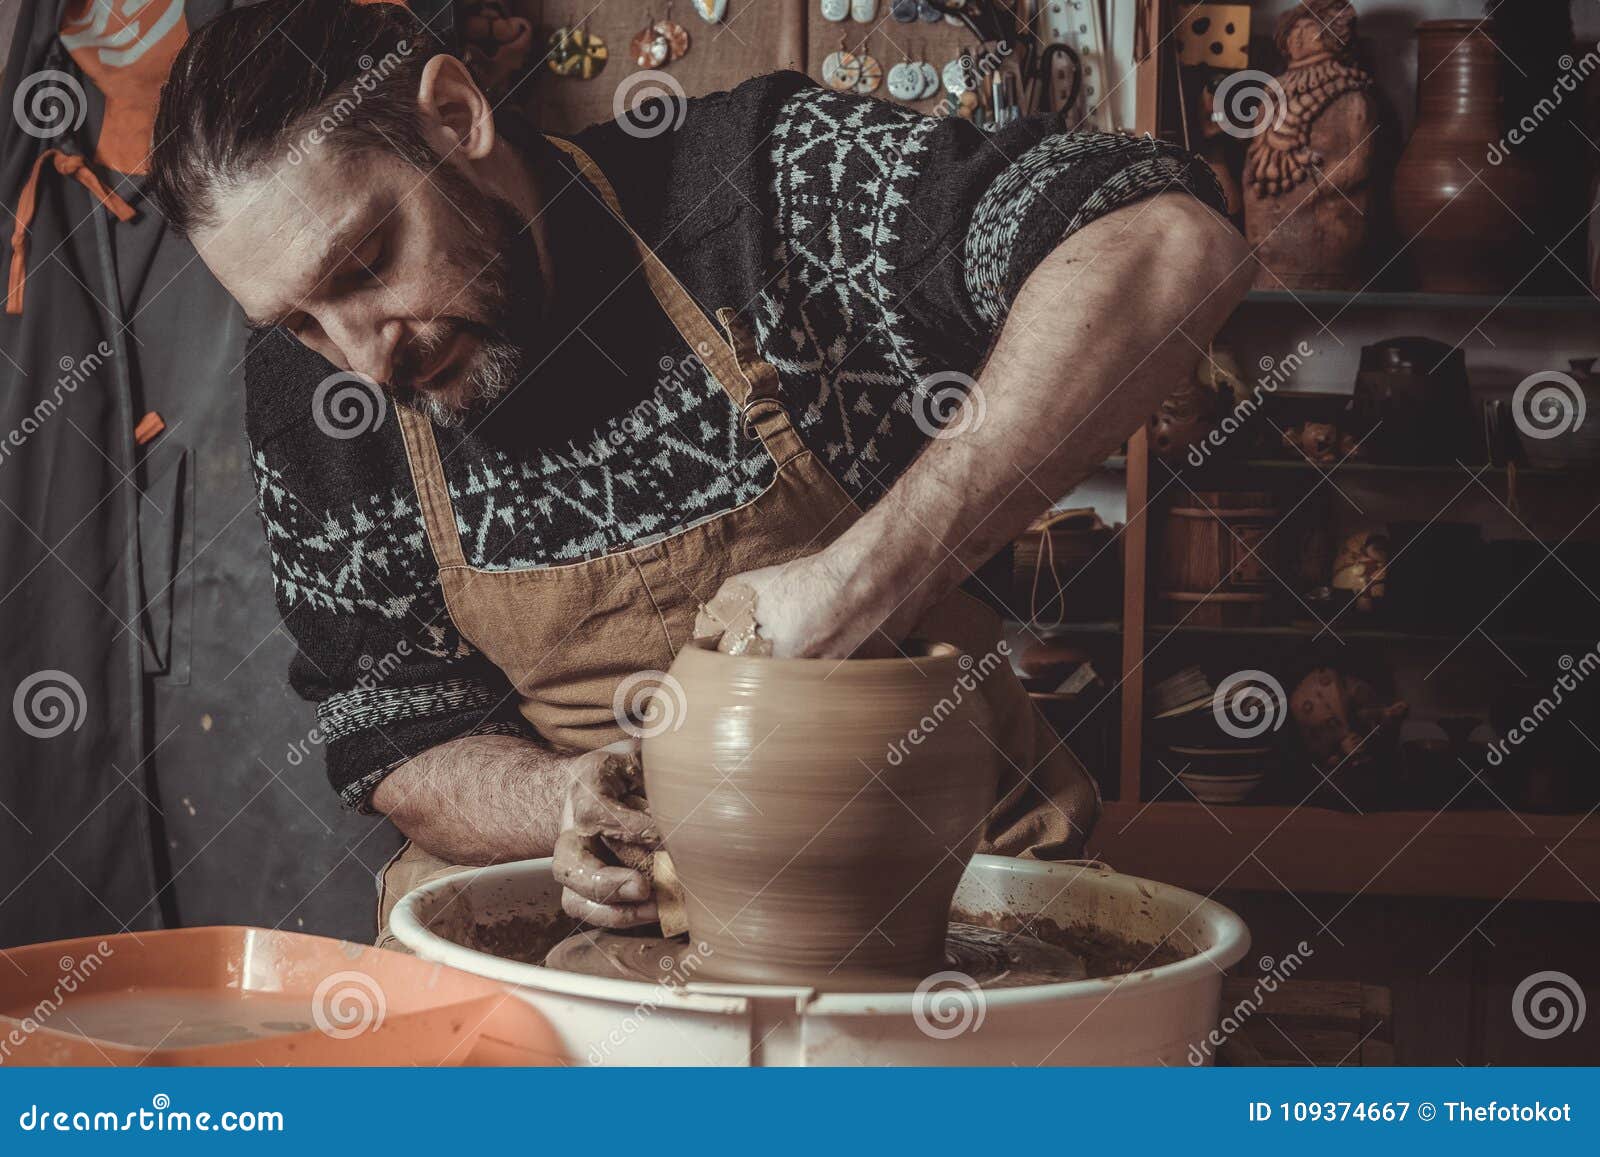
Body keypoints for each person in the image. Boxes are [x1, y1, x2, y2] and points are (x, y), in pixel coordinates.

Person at [147, 0, 1252, 941]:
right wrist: (558, 799)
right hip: (608, 903)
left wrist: (862, 580)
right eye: (299, 319)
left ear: (454, 117)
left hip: (934, 863)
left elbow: (1167, 241)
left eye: (366, 263)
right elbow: (391, 721)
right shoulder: (317, 391)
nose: (364, 358)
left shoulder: (761, 188)